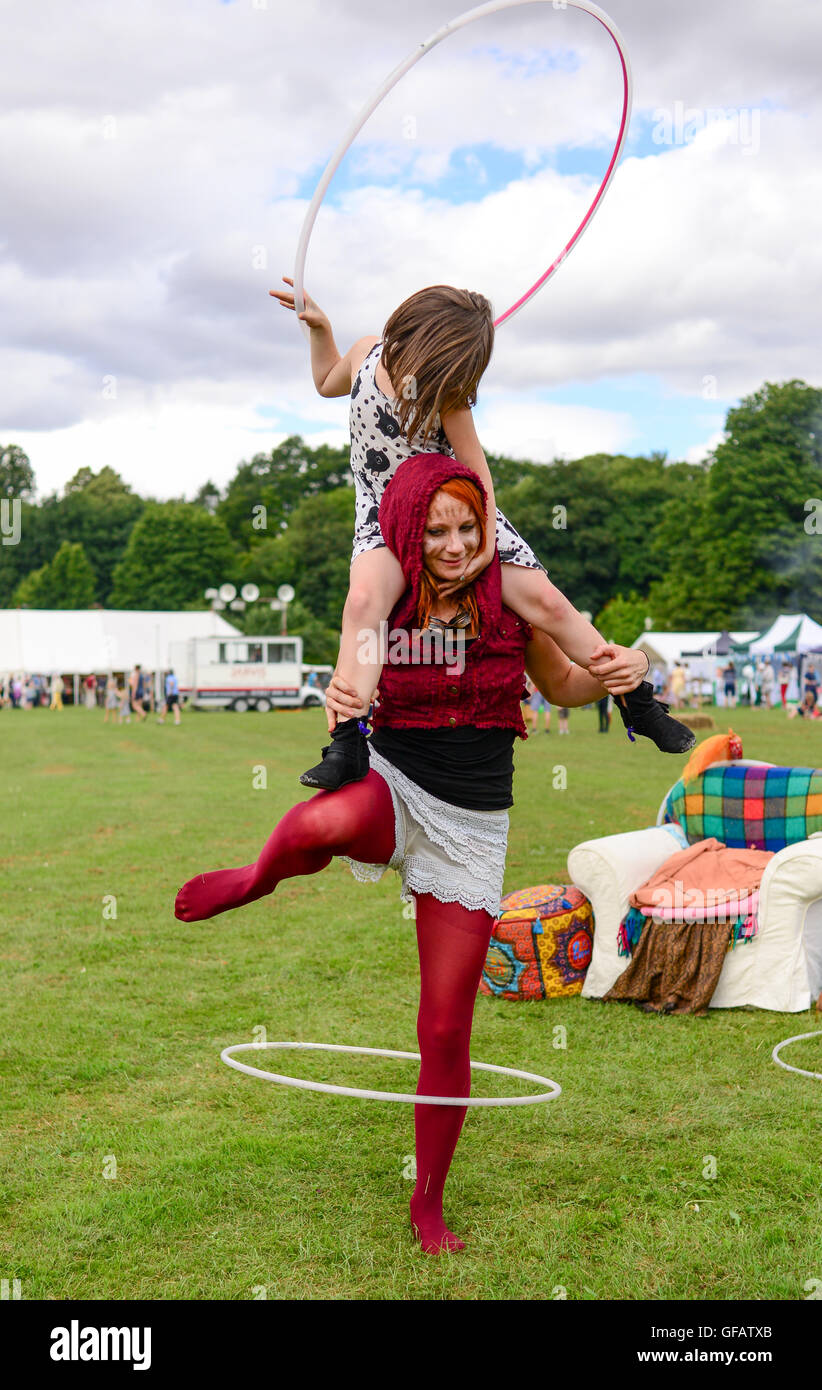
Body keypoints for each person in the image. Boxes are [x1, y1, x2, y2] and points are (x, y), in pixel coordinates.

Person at [175, 455, 651, 1256]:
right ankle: (254, 879)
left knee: (443, 1029)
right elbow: (354, 656)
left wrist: (619, 674)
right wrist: (346, 696)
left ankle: (427, 1204)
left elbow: (564, 685)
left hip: (471, 829)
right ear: (409, 534)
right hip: (395, 784)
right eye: (437, 531)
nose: (456, 544)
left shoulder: (512, 600)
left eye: (469, 528)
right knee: (313, 827)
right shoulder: (386, 597)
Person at [270, 278, 694, 789]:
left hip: (455, 515)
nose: (433, 381)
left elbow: (479, 474)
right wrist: (321, 330)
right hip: (382, 517)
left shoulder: (447, 397)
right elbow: (324, 382)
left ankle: (637, 701)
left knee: (550, 605)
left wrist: (485, 547)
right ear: (403, 333)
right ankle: (347, 744)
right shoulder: (363, 354)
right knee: (363, 603)